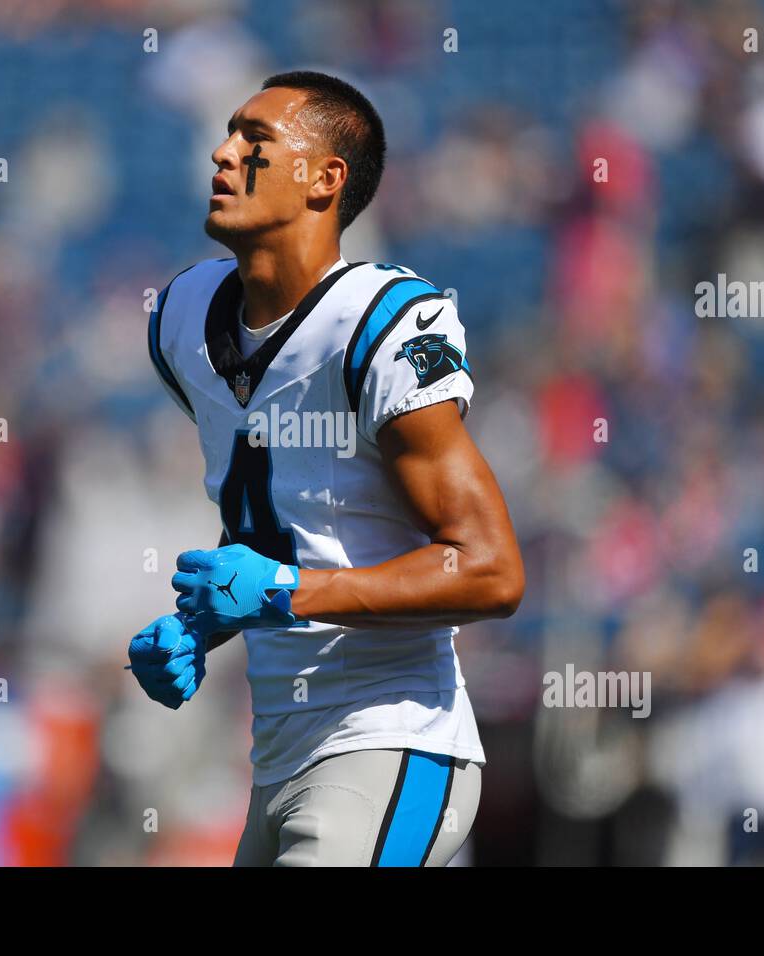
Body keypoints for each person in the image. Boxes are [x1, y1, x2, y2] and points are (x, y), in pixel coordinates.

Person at [131, 70, 524, 866]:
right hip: (278, 755)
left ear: (325, 179)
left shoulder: (378, 324)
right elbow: (293, 509)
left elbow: (491, 571)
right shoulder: (182, 320)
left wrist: (286, 595)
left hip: (392, 739)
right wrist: (206, 624)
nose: (222, 153)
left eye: (256, 142)